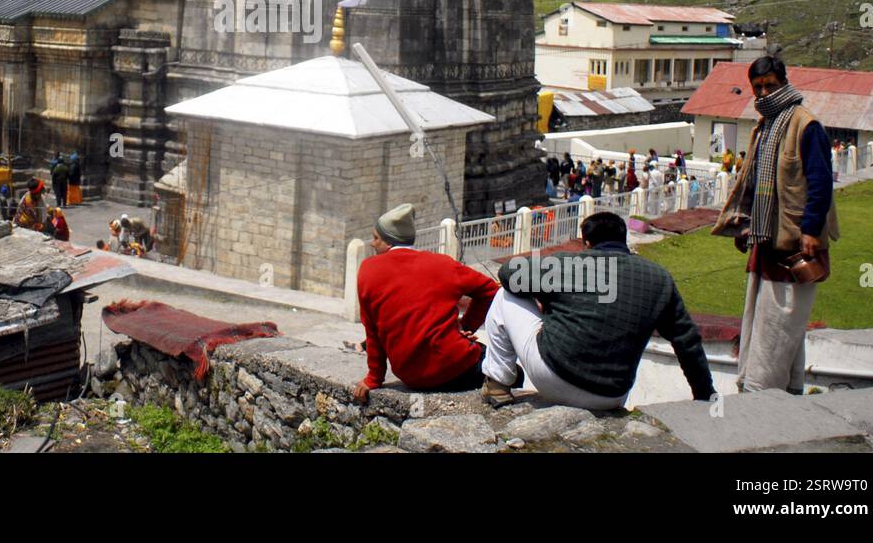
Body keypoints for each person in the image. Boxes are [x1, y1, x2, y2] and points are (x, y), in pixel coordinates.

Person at [483, 211, 714, 409]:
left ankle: (498, 384)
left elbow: (507, 274)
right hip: (612, 395)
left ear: (587, 244)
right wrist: (704, 394)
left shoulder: (570, 264)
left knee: (505, 295)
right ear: (624, 241)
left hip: (553, 376)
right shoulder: (659, 278)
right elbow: (687, 340)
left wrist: (544, 297)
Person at [711, 55, 838, 394]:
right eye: (758, 87)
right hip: (766, 240)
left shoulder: (805, 124)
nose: (764, 92)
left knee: (779, 323)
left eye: (770, 85)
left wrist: (811, 229)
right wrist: (745, 225)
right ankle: (788, 388)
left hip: (794, 244)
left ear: (784, 81)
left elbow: (820, 181)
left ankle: (761, 392)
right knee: (772, 325)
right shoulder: (765, 125)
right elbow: (756, 184)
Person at [352, 204, 500, 403]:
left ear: (388, 242)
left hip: (410, 376)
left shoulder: (367, 271)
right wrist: (465, 326)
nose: (372, 243)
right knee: (507, 367)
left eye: (376, 238)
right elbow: (491, 291)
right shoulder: (443, 264)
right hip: (455, 367)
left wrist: (374, 378)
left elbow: (372, 330)